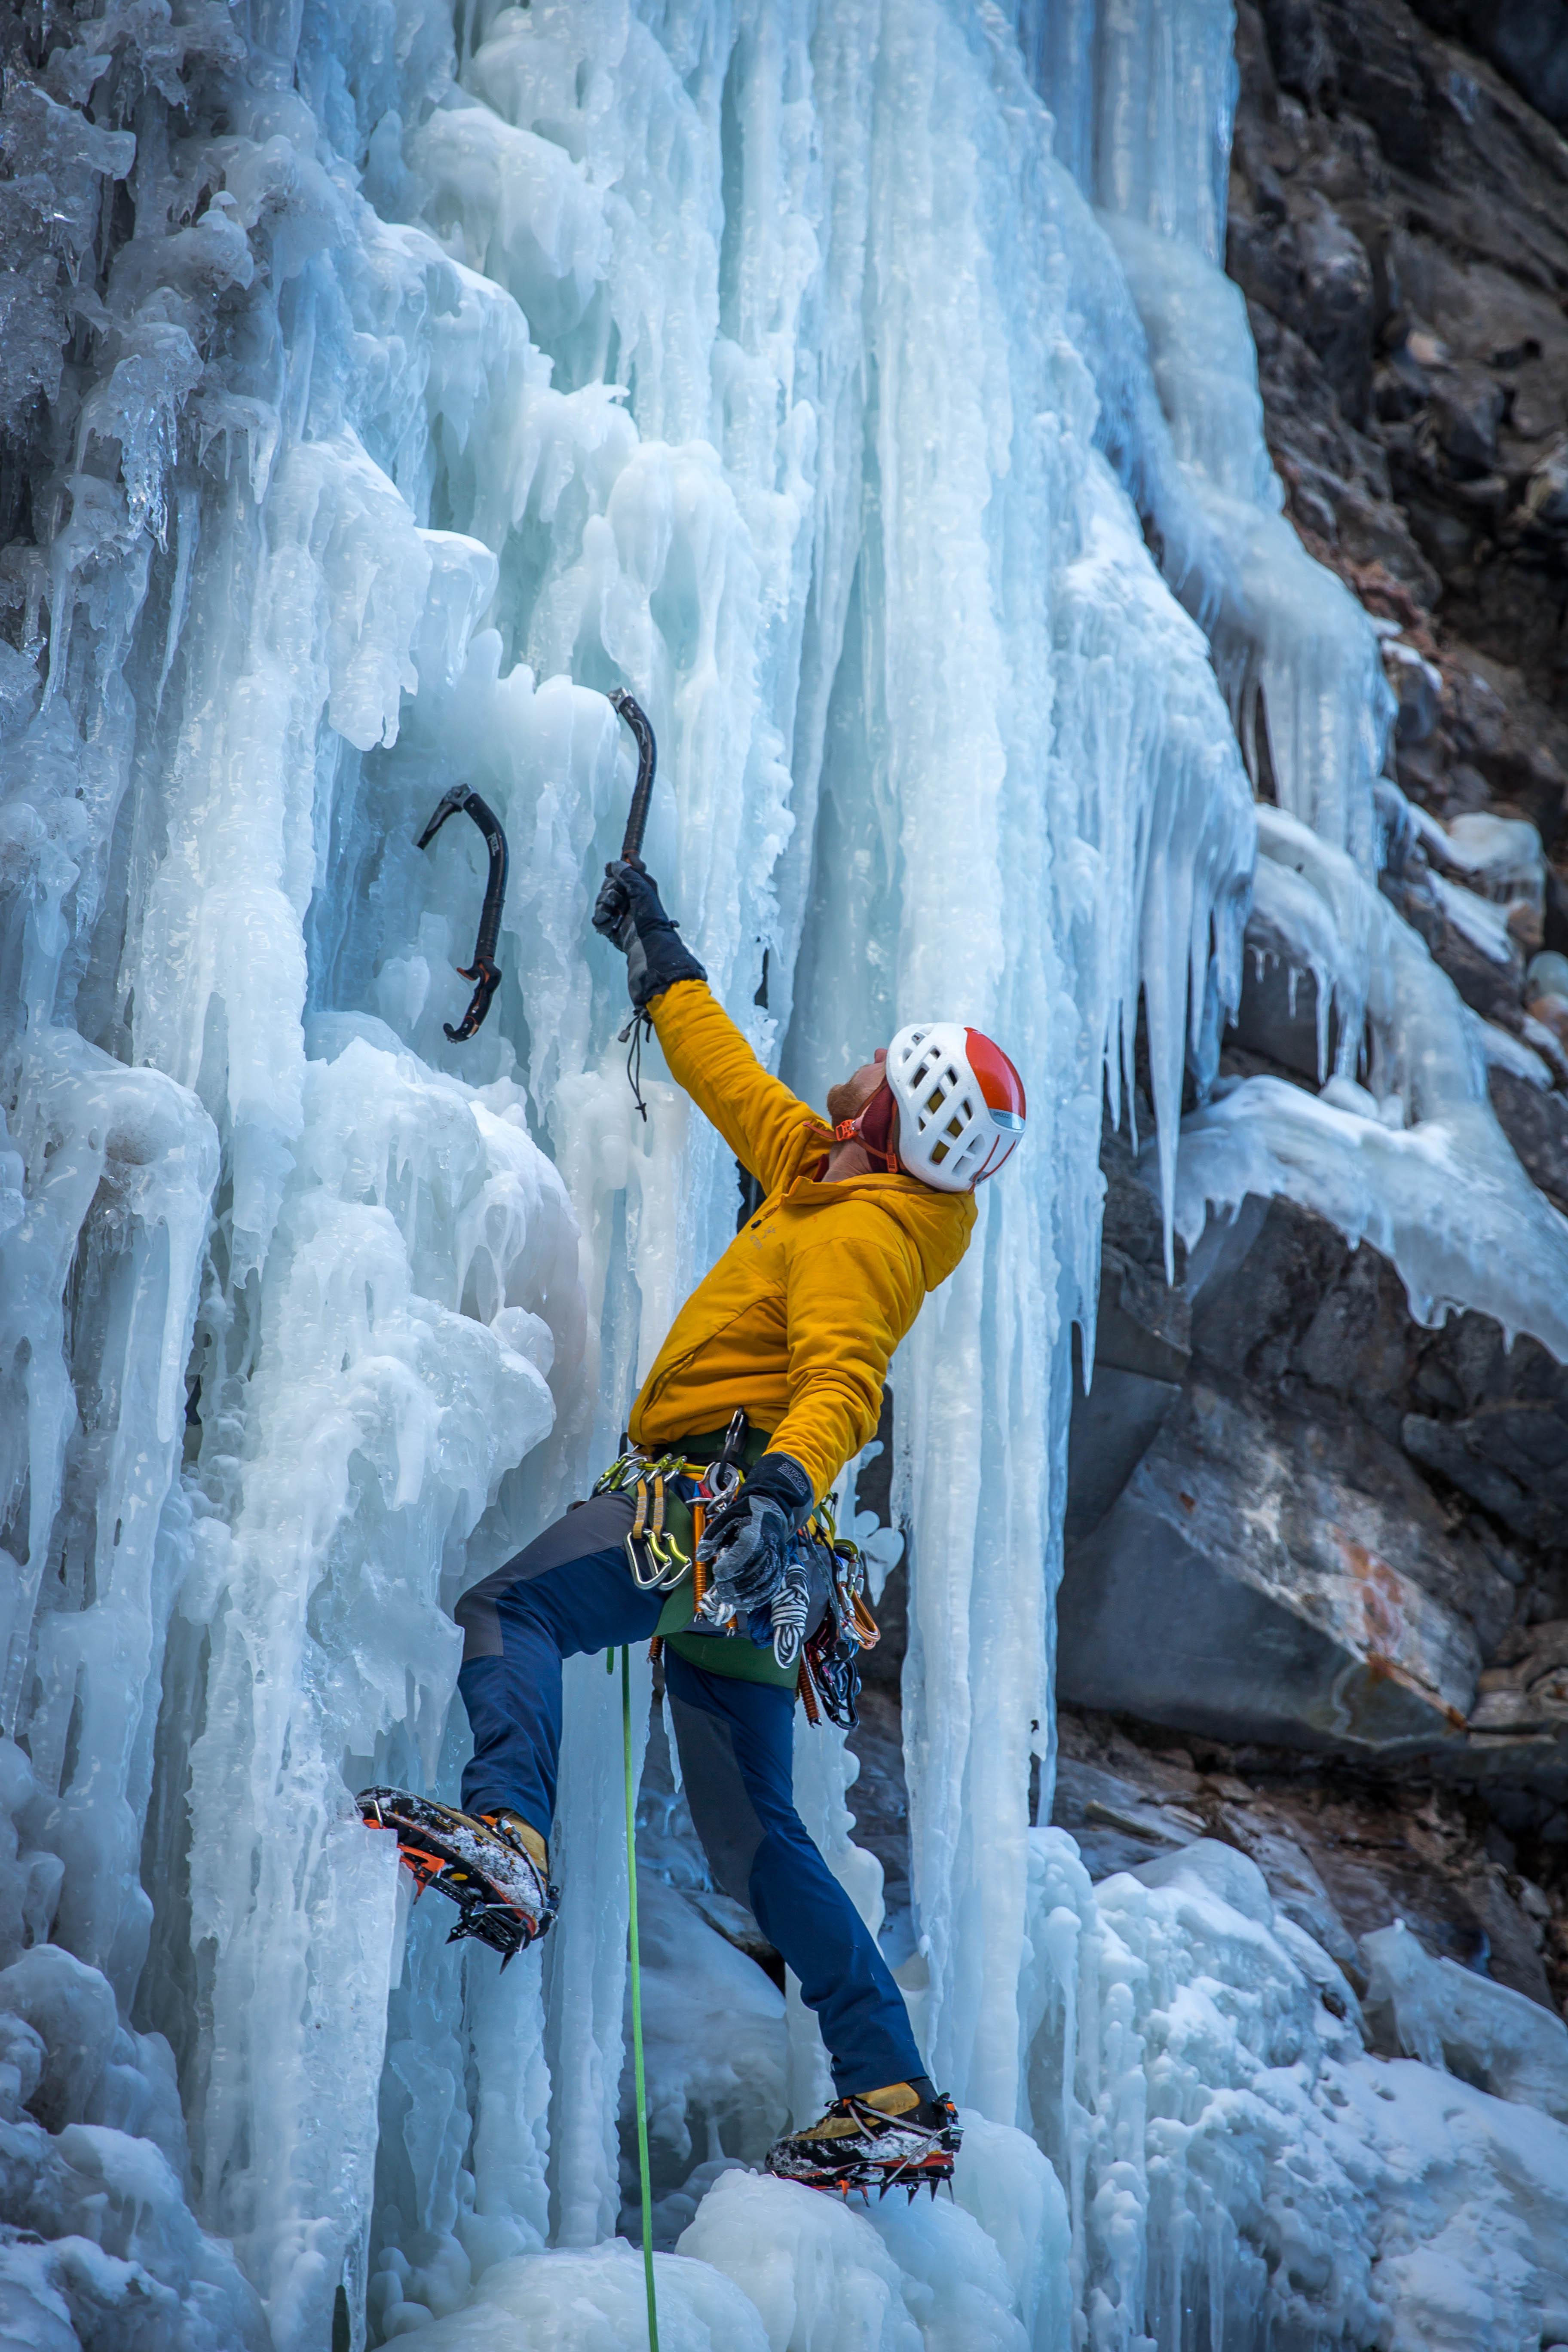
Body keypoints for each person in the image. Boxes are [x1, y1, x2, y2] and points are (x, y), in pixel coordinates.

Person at [360, 858, 1026, 2196]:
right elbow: (736, 1082)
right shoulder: (826, 1181)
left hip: (713, 1510)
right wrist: (659, 949)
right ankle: (889, 2090)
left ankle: (514, 1835)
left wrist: (779, 1491)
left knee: (514, 1610)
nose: (849, 1073)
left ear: (891, 1112)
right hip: (764, 1570)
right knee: (758, 1837)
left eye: (875, 1072)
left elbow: (845, 1378)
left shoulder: (861, 1236)